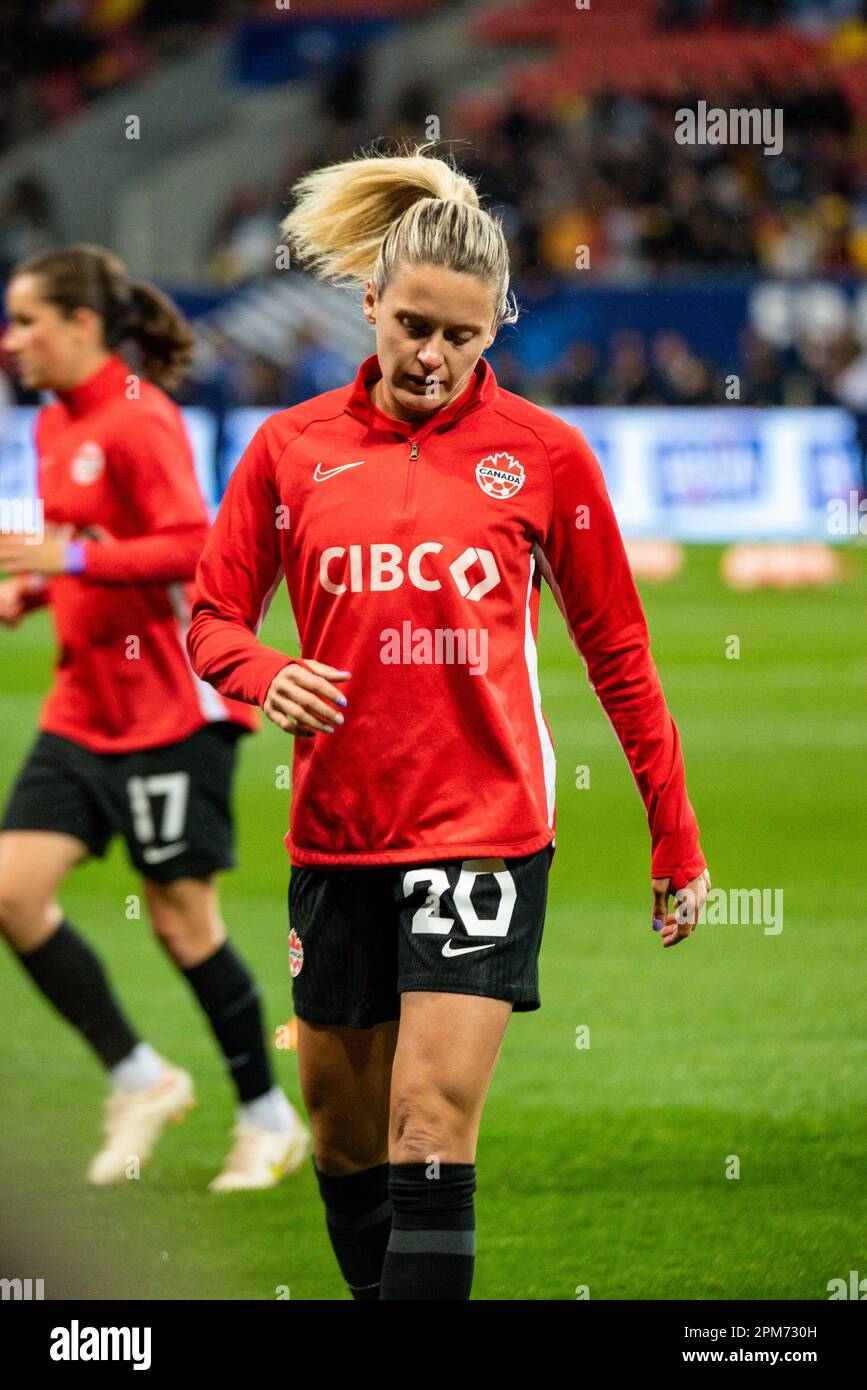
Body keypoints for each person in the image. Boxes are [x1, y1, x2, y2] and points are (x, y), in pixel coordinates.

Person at [187, 144, 711, 1299]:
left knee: (431, 1126)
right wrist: (263, 672)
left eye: (460, 335)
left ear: (496, 330)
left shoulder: (545, 457)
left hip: (483, 832)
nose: (431, 356)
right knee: (345, 1137)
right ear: (369, 302)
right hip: (335, 836)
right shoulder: (288, 451)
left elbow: (619, 653)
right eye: (412, 324)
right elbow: (211, 621)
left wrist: (674, 837)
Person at [0, 244, 308, 1191]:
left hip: (176, 707)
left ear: (83, 325)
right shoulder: (57, 424)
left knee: (183, 925)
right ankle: (141, 1076)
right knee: (12, 894)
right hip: (84, 703)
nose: (11, 342)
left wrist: (67, 567)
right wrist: (33, 594)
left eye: (27, 322)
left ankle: (266, 1117)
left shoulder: (140, 419)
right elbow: (92, 550)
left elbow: (190, 545)